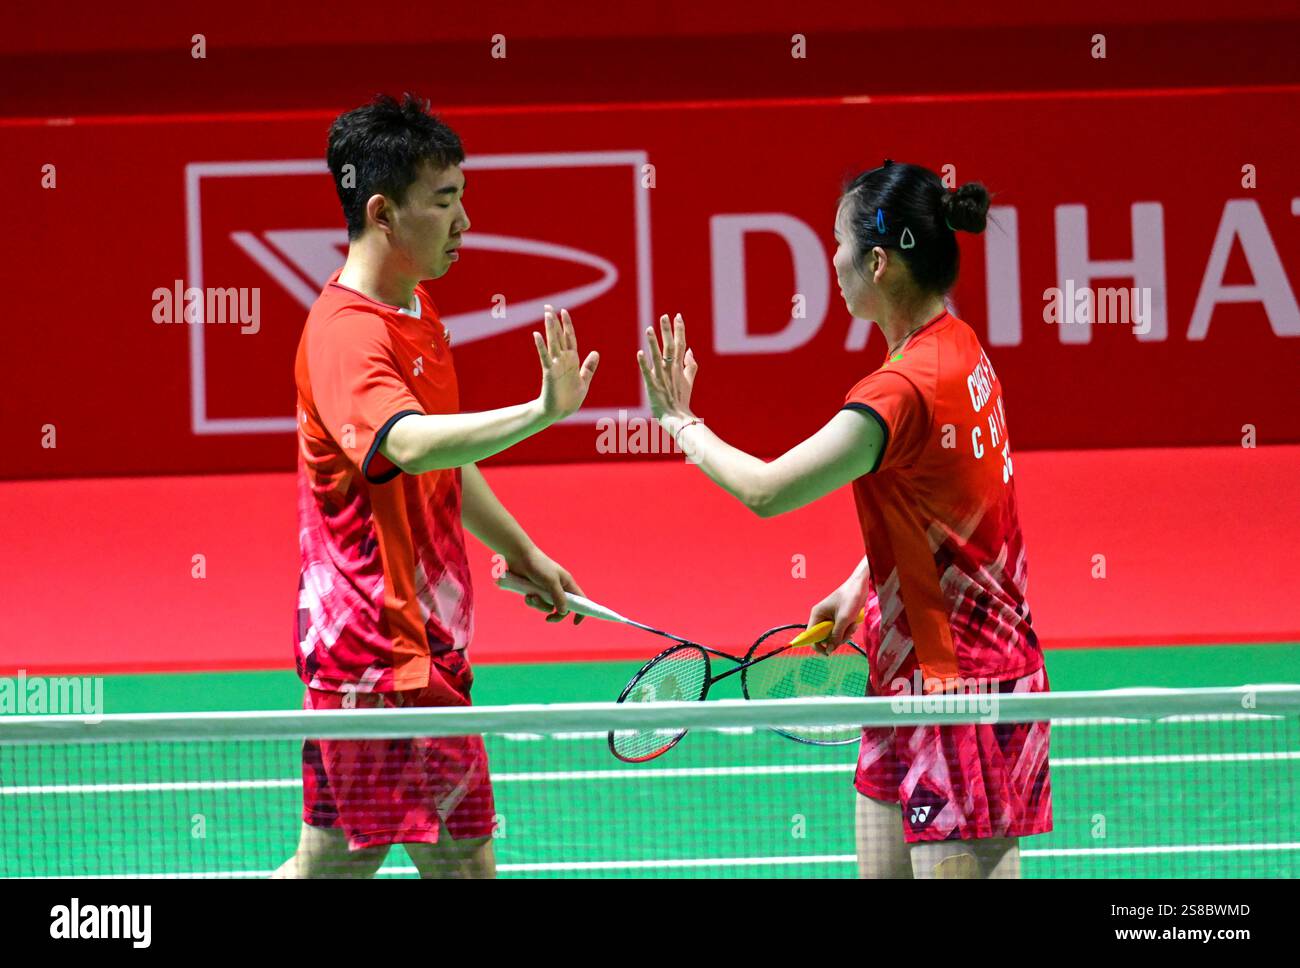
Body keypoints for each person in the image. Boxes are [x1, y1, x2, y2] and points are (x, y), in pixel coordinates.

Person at [636, 160, 1050, 879]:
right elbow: (939, 502)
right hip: (903, 670)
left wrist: (680, 422)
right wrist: (864, 583)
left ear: (880, 262)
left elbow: (767, 491)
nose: (831, 259)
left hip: (962, 684)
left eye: (838, 242)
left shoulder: (897, 393)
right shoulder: (959, 346)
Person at [275, 94, 599, 879]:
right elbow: (407, 445)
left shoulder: (415, 307)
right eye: (445, 201)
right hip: (383, 654)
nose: (464, 222)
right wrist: (542, 411)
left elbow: (442, 465)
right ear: (383, 212)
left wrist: (524, 549)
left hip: (405, 642)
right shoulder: (349, 334)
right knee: (460, 861)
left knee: (330, 863)